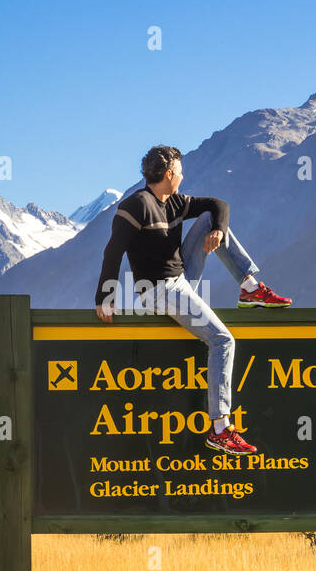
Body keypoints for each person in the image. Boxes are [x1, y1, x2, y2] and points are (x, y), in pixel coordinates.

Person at [94, 145, 292, 455]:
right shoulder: (136, 206)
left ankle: (250, 287)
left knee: (211, 221)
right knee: (223, 341)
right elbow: (113, 251)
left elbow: (219, 204)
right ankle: (220, 428)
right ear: (169, 175)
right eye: (181, 172)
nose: (184, 177)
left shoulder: (173, 202)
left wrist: (217, 230)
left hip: (182, 280)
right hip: (159, 291)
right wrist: (105, 298)